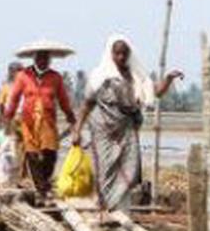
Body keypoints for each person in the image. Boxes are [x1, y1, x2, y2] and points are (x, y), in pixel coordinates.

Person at [71, 34, 182, 211]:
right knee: (106, 169)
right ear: (111, 54)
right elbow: (87, 105)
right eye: (117, 53)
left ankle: (120, 209)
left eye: (124, 53)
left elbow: (155, 92)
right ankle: (105, 208)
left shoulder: (136, 76)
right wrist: (77, 130)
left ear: (129, 54)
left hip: (127, 130)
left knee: (130, 169)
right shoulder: (101, 76)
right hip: (104, 131)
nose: (121, 57)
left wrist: (168, 78)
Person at [3, 40, 77, 198]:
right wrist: (8, 117)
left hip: (48, 121)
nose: (43, 61)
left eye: (46, 58)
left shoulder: (55, 77)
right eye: (40, 57)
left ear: (49, 60)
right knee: (32, 154)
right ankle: (41, 189)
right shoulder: (23, 76)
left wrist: (70, 116)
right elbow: (14, 98)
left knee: (50, 153)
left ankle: (45, 181)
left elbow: (63, 100)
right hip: (29, 121)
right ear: (34, 58)